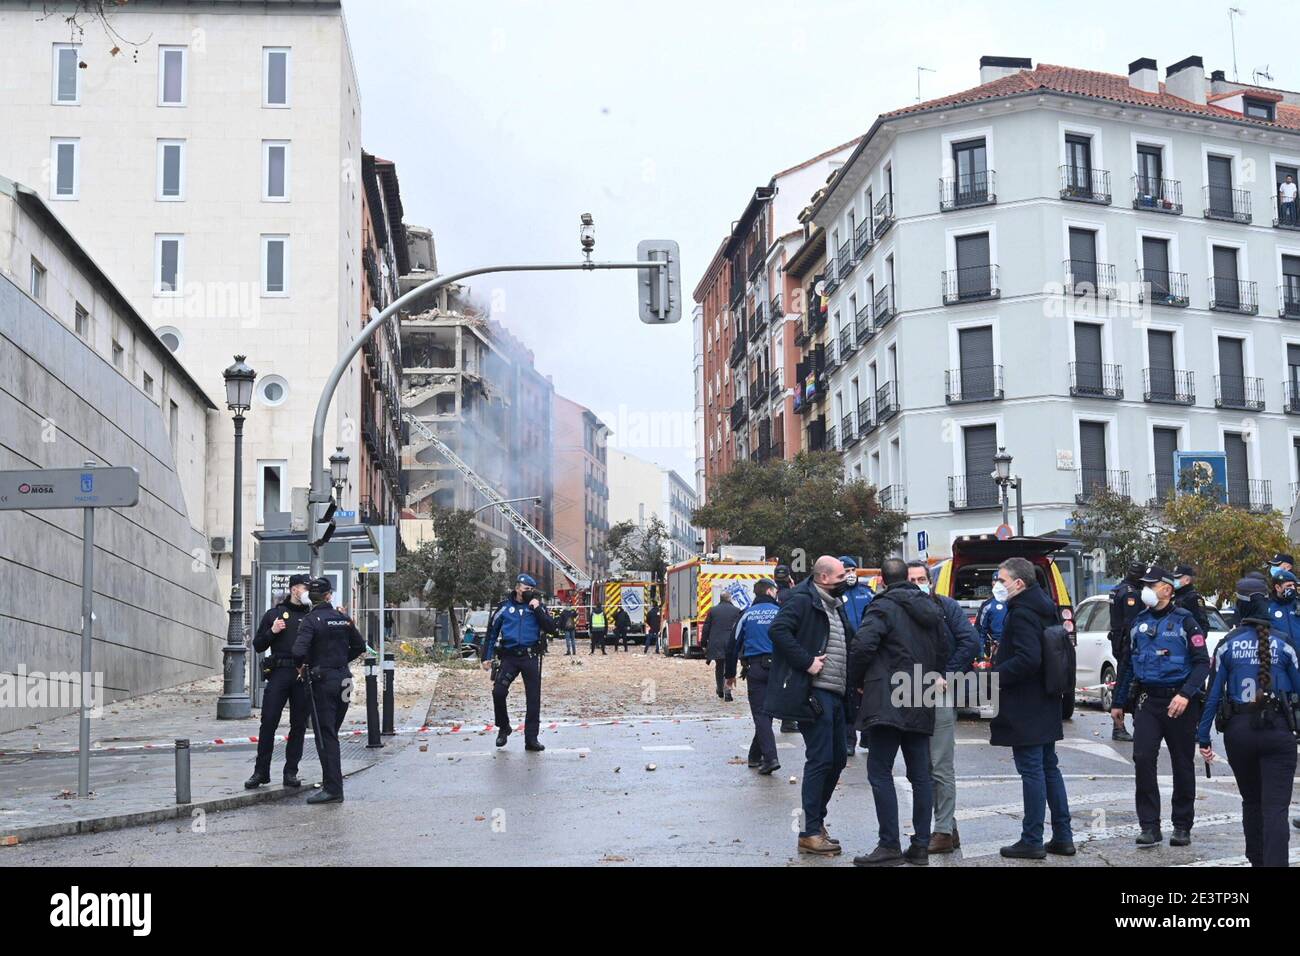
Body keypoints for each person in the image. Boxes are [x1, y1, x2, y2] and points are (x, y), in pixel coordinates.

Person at [847, 558, 949, 866]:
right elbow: (943, 648)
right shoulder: (930, 609)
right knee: (920, 774)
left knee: (879, 770)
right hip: (919, 693)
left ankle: (889, 843)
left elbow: (863, 645)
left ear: (881, 579)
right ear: (908, 578)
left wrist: (856, 682)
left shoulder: (881, 606)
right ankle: (920, 845)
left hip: (887, 698)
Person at [1199, 578, 1300, 867]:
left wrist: (1203, 737)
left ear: (1241, 606)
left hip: (1238, 734)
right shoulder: (1285, 644)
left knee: (1252, 802)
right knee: (1276, 809)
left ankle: (1256, 861)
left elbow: (1213, 695)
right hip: (1278, 731)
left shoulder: (1227, 645)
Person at [1112, 565, 1210, 848]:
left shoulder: (1185, 621)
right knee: (1142, 759)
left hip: (1179, 702)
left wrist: (1185, 694)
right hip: (1148, 701)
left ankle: (1182, 825)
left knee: (1181, 763)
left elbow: (1202, 662)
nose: (1146, 590)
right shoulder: (1139, 623)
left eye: (1151, 585)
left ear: (1167, 589)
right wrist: (1118, 702)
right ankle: (1149, 826)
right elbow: (1128, 664)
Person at [766, 555, 853, 856]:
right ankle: (810, 831)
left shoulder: (833, 603)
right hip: (814, 693)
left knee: (838, 758)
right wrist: (807, 662)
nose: (847, 579)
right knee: (820, 760)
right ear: (825, 577)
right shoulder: (803, 600)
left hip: (836, 692)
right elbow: (778, 631)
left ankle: (816, 821)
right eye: (842, 575)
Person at [991, 557, 1075, 859]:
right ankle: (1063, 836)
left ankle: (1032, 839)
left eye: (1001, 580)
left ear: (1018, 583)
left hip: (1025, 703)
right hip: (1046, 700)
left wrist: (993, 677)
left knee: (1033, 771)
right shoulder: (1045, 606)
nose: (997, 585)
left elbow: (1028, 659)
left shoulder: (1022, 612)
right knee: (1048, 768)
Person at [905, 560, 980, 855]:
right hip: (907, 692)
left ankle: (944, 831)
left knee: (940, 765)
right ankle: (947, 825)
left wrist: (948, 674)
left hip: (936, 694)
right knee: (920, 767)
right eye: (911, 579)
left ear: (930, 581)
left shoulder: (946, 606)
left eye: (922, 578)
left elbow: (970, 642)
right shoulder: (899, 611)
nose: (917, 584)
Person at [291, 577, 366, 804]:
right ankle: (332, 785)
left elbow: (297, 651)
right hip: (344, 679)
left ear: (311, 597)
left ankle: (333, 789)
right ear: (328, 596)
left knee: (326, 736)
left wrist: (306, 666)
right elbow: (360, 646)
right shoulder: (343, 619)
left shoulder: (311, 620)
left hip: (323, 681)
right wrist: (342, 661)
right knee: (331, 731)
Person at [245, 575, 312, 790]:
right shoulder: (275, 614)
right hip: (279, 673)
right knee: (269, 722)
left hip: (302, 674)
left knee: (299, 725)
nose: (308, 592)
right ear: (294, 589)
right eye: (305, 588)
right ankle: (260, 772)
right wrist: (272, 632)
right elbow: (258, 645)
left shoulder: (311, 616)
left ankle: (291, 772)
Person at [483, 573, 556, 752]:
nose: (529, 593)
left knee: (533, 699)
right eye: (526, 589)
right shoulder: (504, 608)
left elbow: (552, 628)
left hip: (530, 657)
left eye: (532, 590)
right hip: (509, 657)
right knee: (498, 692)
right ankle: (504, 727)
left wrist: (538, 608)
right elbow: (491, 633)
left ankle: (531, 739)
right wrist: (487, 656)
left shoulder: (538, 607)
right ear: (517, 588)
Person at [725, 578, 781, 774]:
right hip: (779, 669)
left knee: (761, 714)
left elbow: (732, 646)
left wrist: (729, 674)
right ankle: (756, 756)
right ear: (768, 591)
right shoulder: (781, 612)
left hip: (755, 668)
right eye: (775, 589)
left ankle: (770, 757)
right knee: (768, 714)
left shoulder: (747, 615)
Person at [837, 556, 875, 756]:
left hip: (867, 650)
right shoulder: (834, 596)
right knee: (848, 697)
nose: (850, 575)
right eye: (846, 571)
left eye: (852, 570)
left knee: (869, 694)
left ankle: (868, 737)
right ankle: (849, 739)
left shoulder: (867, 594)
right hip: (845, 651)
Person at [1105, 561, 1145, 742]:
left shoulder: (1118, 589)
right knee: (1124, 686)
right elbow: (1132, 623)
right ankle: (1119, 727)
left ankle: (1130, 725)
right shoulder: (1131, 594)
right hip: (1128, 644)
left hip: (1119, 642)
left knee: (1124, 684)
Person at [773, 565, 799, 733]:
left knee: (777, 680)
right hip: (791, 642)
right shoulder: (794, 595)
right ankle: (788, 720)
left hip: (773, 644)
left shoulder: (773, 596)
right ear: (789, 578)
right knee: (790, 682)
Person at [702, 591, 741, 701]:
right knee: (730, 666)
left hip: (717, 643)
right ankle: (727, 689)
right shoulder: (736, 611)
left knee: (719, 666)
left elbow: (706, 628)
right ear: (730, 599)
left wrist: (704, 643)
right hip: (731, 643)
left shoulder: (713, 610)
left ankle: (720, 689)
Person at [1266, 569, 1300, 655]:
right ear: (1277, 587)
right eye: (1289, 585)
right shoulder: (1268, 607)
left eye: (1293, 585)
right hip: (1279, 657)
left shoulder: (1297, 604)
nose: (1292, 588)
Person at [1172, 564, 1211, 636]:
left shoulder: (1194, 598)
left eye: (1177, 578)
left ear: (1187, 580)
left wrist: (1195, 643)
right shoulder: (1174, 597)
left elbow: (1202, 625)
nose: (1174, 580)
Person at [974, 591, 1008, 662]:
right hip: (996, 646)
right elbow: (980, 633)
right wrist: (981, 658)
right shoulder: (988, 605)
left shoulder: (1016, 603)